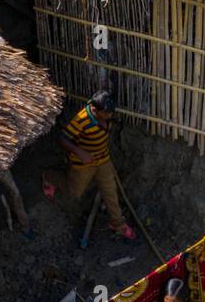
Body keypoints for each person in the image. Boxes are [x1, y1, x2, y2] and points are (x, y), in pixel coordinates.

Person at [42, 91, 136, 240]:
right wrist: (80, 152)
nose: (109, 116)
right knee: (74, 192)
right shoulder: (82, 119)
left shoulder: (107, 115)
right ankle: (49, 176)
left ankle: (118, 224)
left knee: (110, 190)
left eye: (110, 113)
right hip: (83, 163)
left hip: (103, 159)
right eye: (106, 113)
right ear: (95, 109)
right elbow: (62, 138)